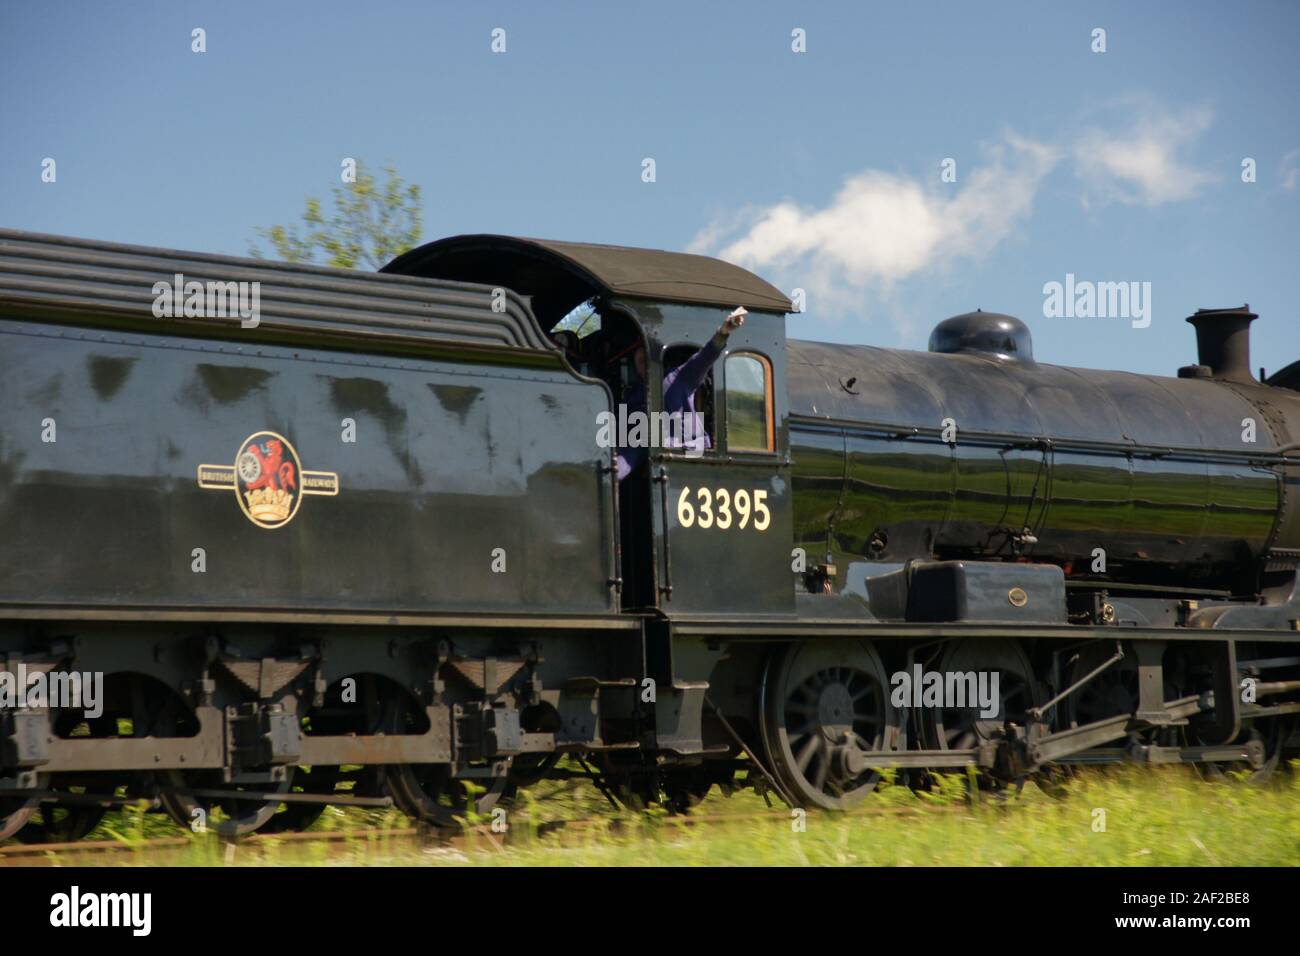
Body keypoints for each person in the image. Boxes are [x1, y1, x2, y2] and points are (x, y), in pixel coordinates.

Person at [616, 307, 746, 480]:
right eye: (639, 361)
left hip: (689, 451)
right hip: (652, 448)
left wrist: (722, 333)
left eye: (645, 359)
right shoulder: (633, 395)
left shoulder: (679, 376)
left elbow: (704, 358)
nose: (643, 365)